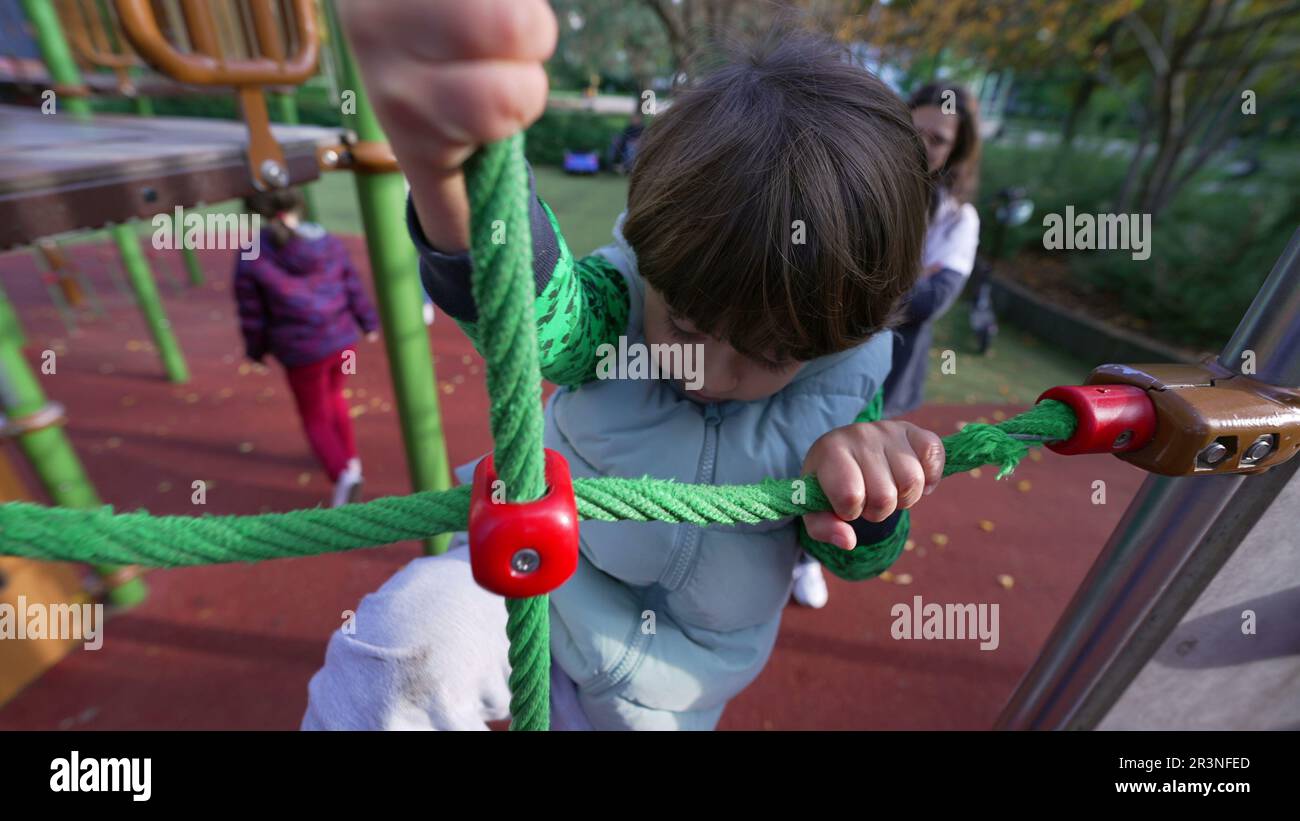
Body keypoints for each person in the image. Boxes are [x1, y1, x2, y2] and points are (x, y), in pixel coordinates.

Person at [304, 0, 944, 731]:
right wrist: (446, 167)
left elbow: (859, 559)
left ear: (833, 339)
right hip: (542, 585)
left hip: (671, 686)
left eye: (767, 355)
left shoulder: (839, 392)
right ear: (654, 268)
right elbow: (534, 313)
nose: (704, 372)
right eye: (686, 324)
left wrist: (867, 492)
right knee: (404, 644)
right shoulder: (621, 304)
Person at [793, 83, 982, 609]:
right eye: (917, 130)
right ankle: (793, 540)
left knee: (869, 466)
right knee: (803, 446)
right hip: (825, 350)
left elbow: (935, 297)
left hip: (893, 367)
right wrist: (901, 278)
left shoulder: (956, 217)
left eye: (940, 139)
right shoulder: (865, 181)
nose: (926, 146)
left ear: (956, 149)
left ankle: (815, 556)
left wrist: (864, 283)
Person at [235, 188, 381, 508]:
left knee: (314, 414)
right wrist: (368, 323)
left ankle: (341, 473)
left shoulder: (252, 253)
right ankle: (350, 460)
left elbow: (252, 312)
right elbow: (351, 283)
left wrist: (256, 350)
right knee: (335, 397)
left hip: (301, 352)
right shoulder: (327, 241)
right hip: (343, 342)